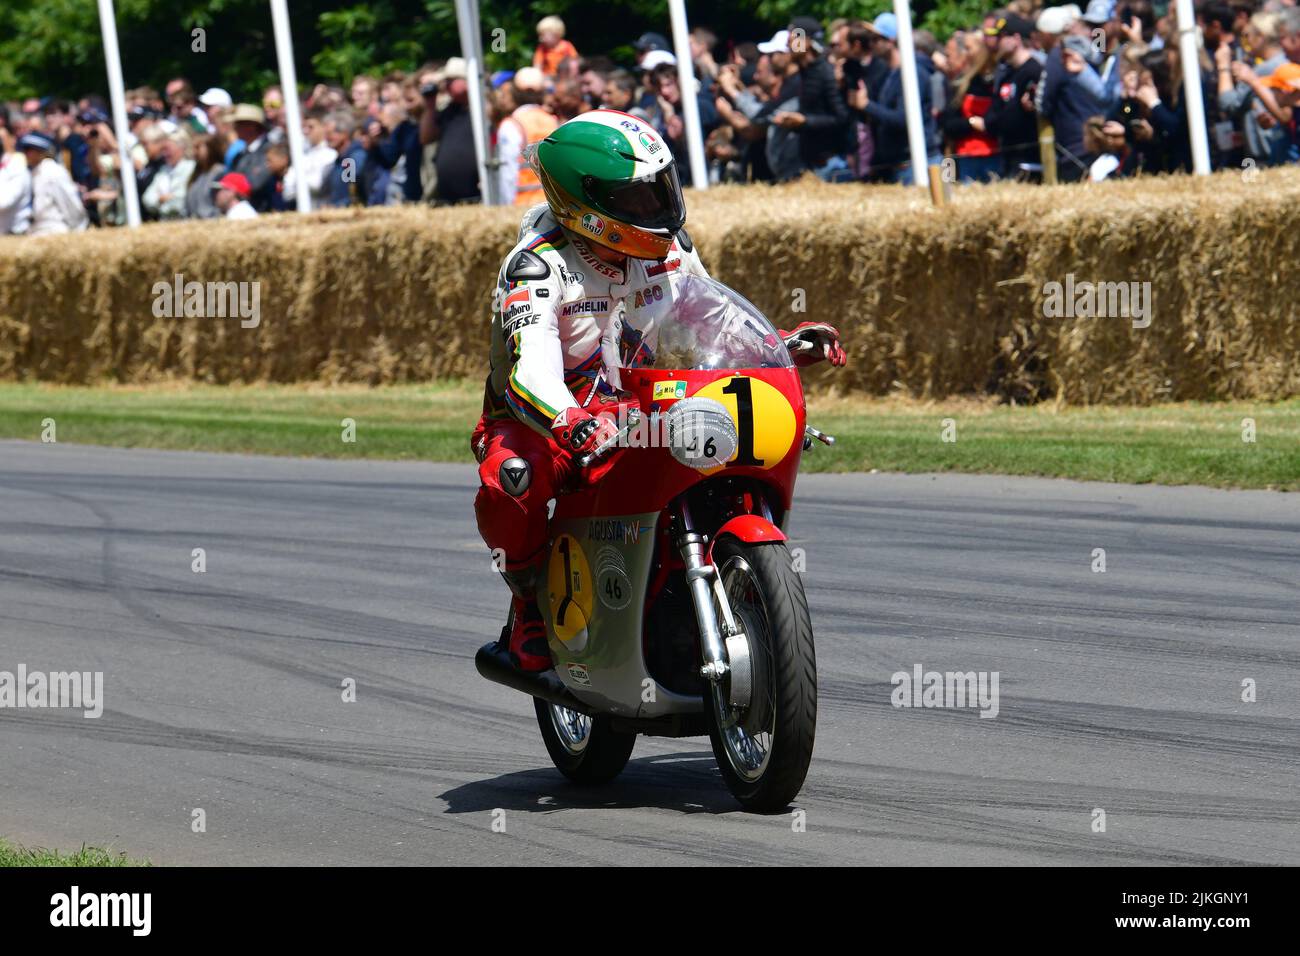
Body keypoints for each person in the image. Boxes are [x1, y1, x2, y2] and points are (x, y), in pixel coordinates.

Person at [471, 109, 845, 673]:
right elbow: (530, 375)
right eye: (639, 199)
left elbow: (708, 324)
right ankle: (529, 606)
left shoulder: (671, 250)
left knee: (724, 445)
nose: (658, 211)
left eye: (660, 190)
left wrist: (782, 347)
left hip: (642, 401)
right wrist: (572, 421)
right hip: (544, 421)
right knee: (513, 480)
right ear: (585, 202)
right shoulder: (536, 268)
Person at [497, 68, 559, 206]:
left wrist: (506, 207)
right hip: (553, 205)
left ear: (515, 93)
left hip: (524, 208)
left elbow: (508, 174)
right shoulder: (554, 121)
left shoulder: (511, 124)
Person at [17, 131, 88, 236]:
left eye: (29, 150)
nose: (25, 154)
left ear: (41, 151)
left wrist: (77, 229)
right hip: (36, 231)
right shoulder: (33, 172)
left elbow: (69, 203)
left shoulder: (53, 172)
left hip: (55, 230)